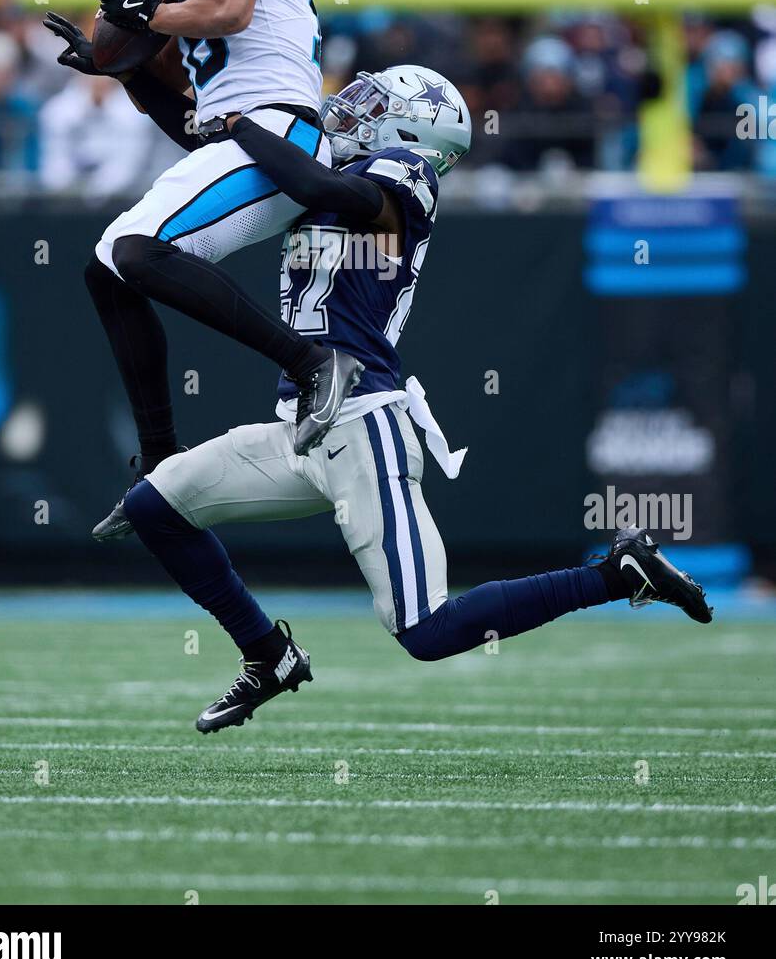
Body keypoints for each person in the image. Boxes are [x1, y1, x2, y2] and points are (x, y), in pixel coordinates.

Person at [95, 65, 712, 734]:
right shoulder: (335, 168)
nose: (355, 106)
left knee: (427, 629)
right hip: (301, 424)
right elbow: (214, 150)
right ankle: (268, 654)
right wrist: (134, 72)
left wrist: (245, 120)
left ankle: (618, 574)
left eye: (377, 102)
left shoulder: (406, 176)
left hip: (363, 421)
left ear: (410, 127)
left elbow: (306, 179)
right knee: (155, 504)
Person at [43, 0, 363, 539]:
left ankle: (314, 365)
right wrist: (119, 62)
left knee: (138, 250)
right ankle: (162, 465)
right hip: (240, 133)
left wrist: (149, 10)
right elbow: (189, 120)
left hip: (278, 130)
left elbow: (229, 8)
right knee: (110, 268)